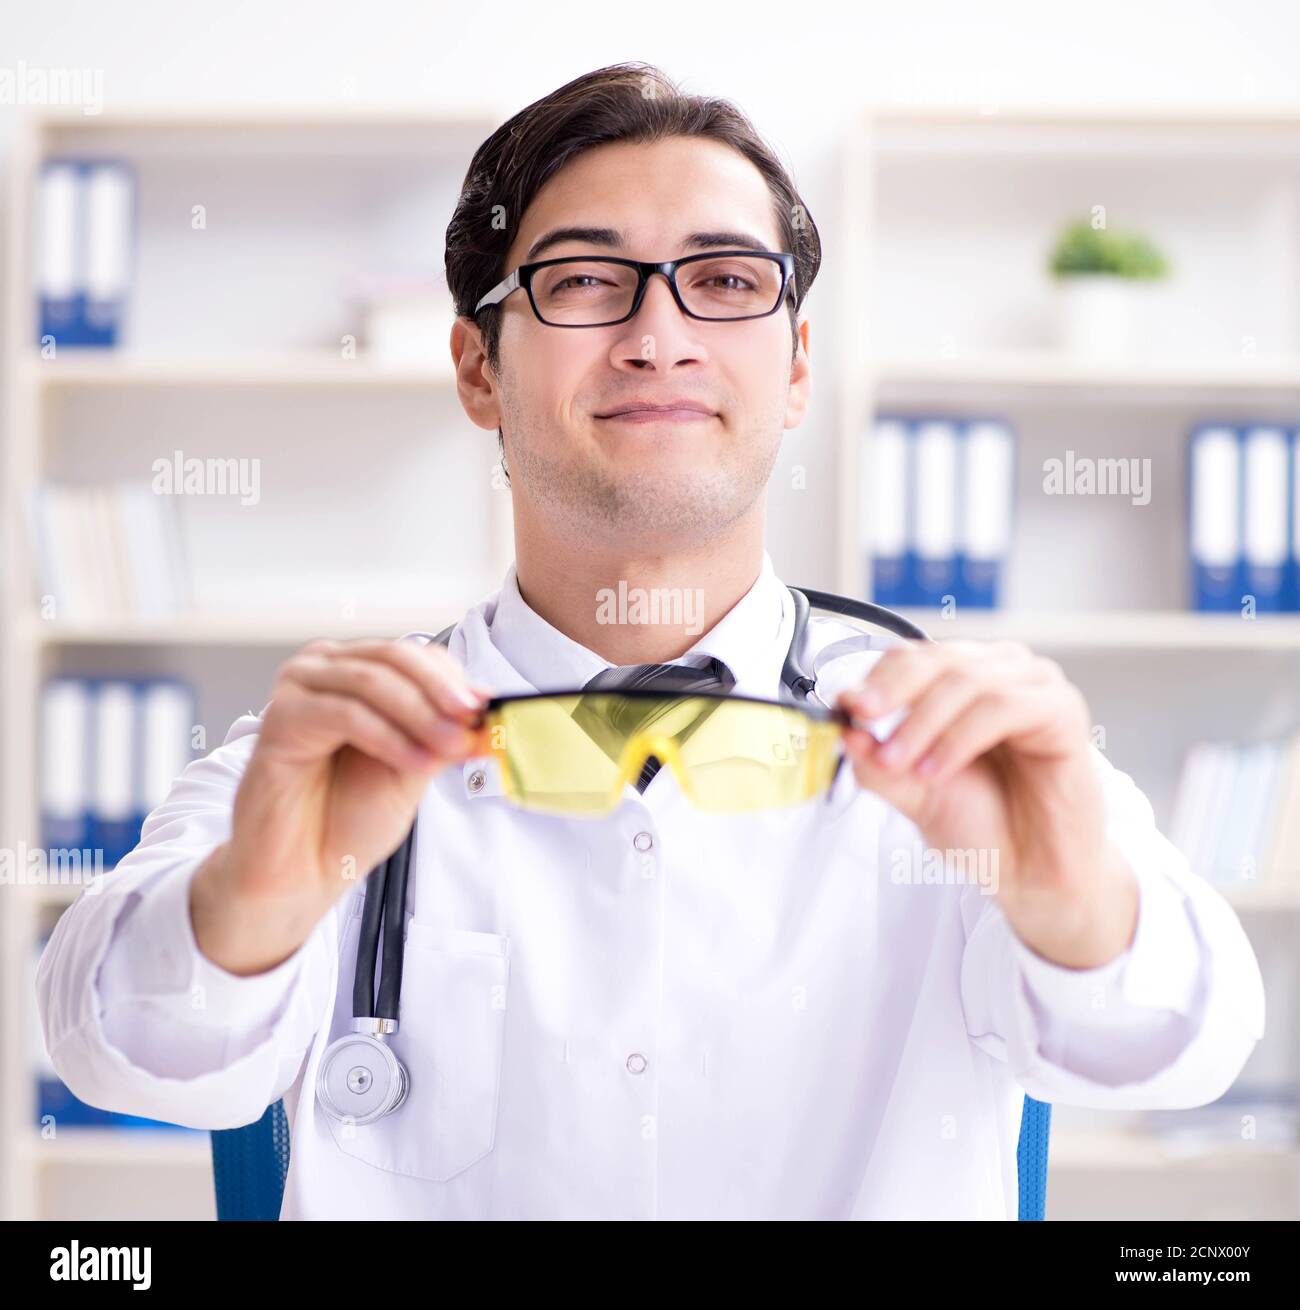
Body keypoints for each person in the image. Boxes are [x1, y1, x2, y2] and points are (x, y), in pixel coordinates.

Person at [37, 62, 1264, 1220]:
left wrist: (1069, 896)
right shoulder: (310, 762)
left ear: (792, 367)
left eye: (726, 281)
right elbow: (123, 1050)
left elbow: (1180, 1043)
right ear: (476, 367)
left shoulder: (972, 743)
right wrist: (260, 894)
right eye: (580, 281)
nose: (659, 333)